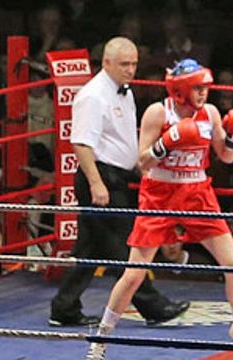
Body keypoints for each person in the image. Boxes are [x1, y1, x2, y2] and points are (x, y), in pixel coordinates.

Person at [83, 59, 233, 360]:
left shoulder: (212, 114)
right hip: (159, 194)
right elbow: (143, 162)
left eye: (206, 87)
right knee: (134, 275)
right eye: (197, 87)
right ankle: (100, 338)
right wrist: (169, 141)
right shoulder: (158, 113)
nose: (204, 93)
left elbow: (226, 157)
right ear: (180, 89)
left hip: (198, 192)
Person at [48, 37, 186, 328]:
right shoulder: (93, 96)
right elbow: (82, 144)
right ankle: (153, 307)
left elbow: (123, 139)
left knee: (90, 247)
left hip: (118, 177)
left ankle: (64, 307)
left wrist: (141, 169)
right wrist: (97, 183)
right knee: (123, 246)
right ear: (107, 63)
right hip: (100, 179)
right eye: (124, 64)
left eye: (134, 63)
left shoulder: (125, 93)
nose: (131, 70)